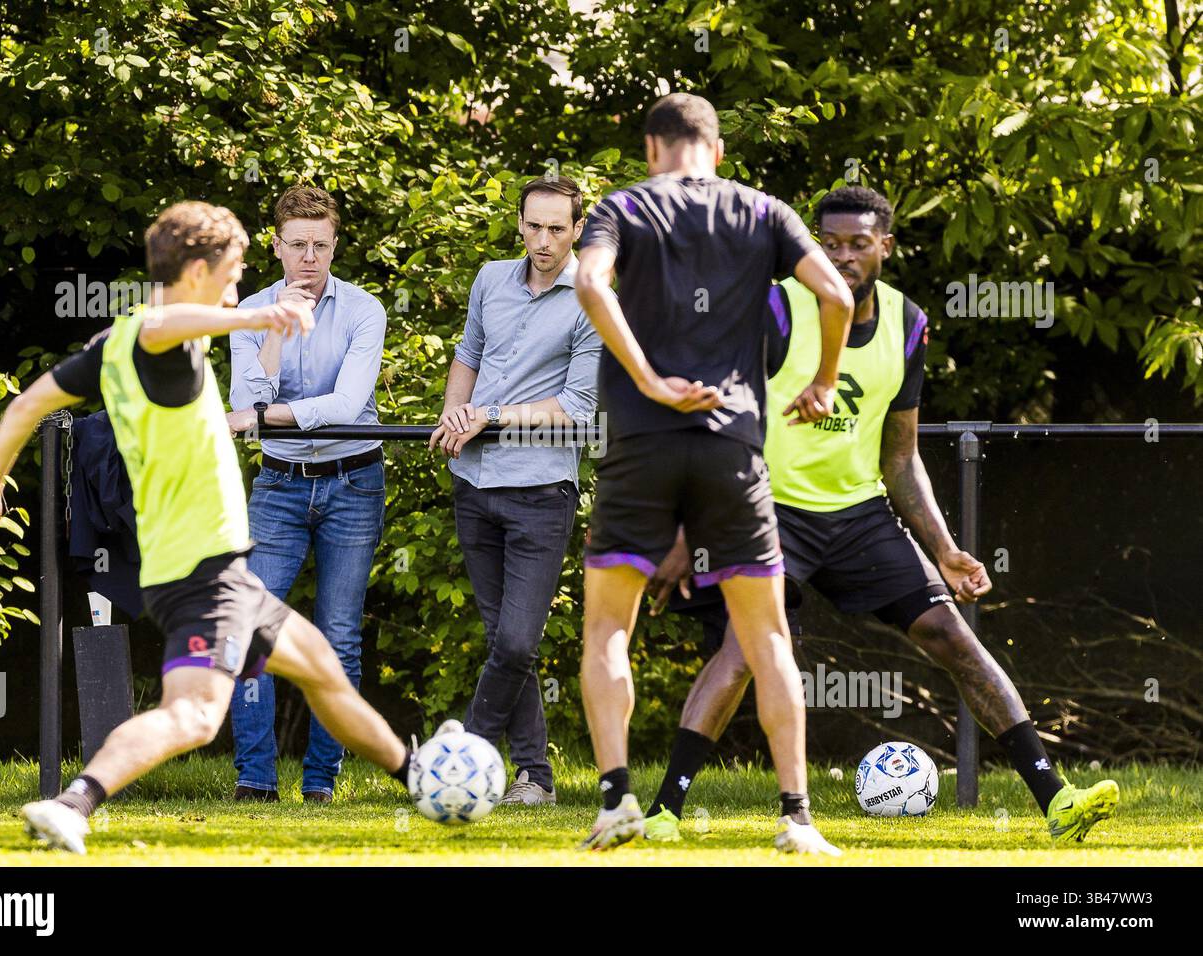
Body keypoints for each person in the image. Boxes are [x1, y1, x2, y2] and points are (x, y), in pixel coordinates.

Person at [642, 186, 1120, 844]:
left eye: (858, 244)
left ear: (885, 248)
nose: (842, 257)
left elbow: (900, 458)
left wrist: (945, 549)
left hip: (860, 515)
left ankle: (1057, 800)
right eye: (828, 243)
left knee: (954, 639)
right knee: (748, 650)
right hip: (769, 507)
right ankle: (667, 809)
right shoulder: (777, 311)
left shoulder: (909, 324)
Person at [0, 201, 413, 853]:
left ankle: (421, 779)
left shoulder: (110, 347)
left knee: (322, 669)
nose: (239, 284)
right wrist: (256, 315)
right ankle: (72, 804)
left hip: (210, 567)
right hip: (199, 570)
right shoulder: (159, 336)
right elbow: (173, 319)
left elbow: (27, 403)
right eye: (231, 274)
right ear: (198, 270)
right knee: (195, 715)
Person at [573, 93, 854, 852]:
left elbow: (590, 284)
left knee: (606, 628)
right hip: (733, 446)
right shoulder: (764, 212)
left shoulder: (623, 207)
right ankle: (796, 818)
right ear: (717, 150)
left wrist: (649, 380)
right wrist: (823, 380)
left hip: (640, 443)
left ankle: (616, 801)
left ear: (650, 148)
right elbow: (836, 292)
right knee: (767, 639)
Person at [429, 175, 601, 806]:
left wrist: (489, 416)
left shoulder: (591, 296)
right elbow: (467, 356)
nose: (544, 240)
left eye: (558, 228)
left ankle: (461, 762)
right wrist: (455, 414)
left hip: (540, 491)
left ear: (579, 229)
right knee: (503, 636)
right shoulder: (490, 279)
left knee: (519, 641)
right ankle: (534, 777)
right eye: (534, 225)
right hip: (474, 484)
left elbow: (581, 406)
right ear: (520, 224)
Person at [225, 185, 388, 803]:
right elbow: (248, 403)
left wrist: (265, 415)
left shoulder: (364, 310)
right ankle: (255, 780)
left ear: (336, 245)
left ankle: (321, 782)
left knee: (339, 634)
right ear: (276, 246)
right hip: (279, 487)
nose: (310, 258)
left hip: (354, 481)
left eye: (321, 245)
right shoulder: (251, 310)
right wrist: (273, 328)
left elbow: (347, 407)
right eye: (298, 245)